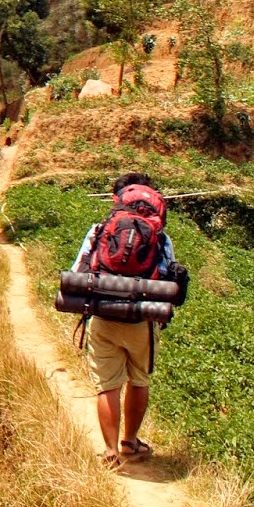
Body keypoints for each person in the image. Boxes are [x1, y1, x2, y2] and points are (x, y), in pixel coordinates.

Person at [70, 172, 176, 470]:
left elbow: (78, 270)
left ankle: (109, 451)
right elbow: (168, 276)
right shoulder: (159, 235)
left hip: (103, 315)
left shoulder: (100, 229)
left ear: (117, 200)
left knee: (107, 385)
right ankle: (130, 442)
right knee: (139, 380)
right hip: (141, 322)